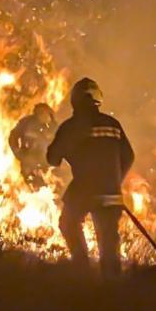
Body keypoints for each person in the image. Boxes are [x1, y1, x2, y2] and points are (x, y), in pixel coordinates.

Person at [47, 78, 135, 277]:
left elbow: (52, 158)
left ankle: (82, 269)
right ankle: (111, 290)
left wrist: (66, 149)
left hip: (84, 190)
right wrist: (115, 181)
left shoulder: (71, 126)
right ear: (98, 100)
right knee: (108, 241)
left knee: (68, 223)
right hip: (111, 193)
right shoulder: (113, 124)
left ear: (75, 101)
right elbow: (129, 156)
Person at [8, 103, 58, 183]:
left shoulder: (54, 127)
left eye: (45, 113)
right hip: (28, 164)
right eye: (40, 112)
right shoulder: (26, 123)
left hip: (47, 167)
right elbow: (13, 136)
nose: (43, 115)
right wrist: (18, 152)